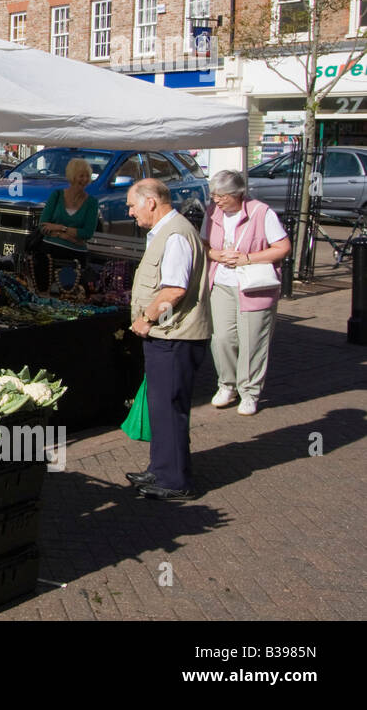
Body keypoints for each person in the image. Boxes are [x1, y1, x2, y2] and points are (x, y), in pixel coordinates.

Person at [125, 178, 210, 501]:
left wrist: (146, 319)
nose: (130, 212)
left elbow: (175, 289)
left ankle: (174, 480)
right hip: (169, 335)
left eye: (133, 205)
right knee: (160, 405)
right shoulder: (167, 231)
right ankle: (161, 468)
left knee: (170, 405)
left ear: (150, 202)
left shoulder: (175, 234)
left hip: (175, 336)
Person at [202, 170, 290, 417]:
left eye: (222, 196)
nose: (217, 200)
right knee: (221, 339)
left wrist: (248, 258)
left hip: (254, 286)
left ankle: (250, 392)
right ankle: (226, 385)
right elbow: (205, 244)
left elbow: (282, 247)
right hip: (221, 283)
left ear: (238, 193)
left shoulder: (262, 213)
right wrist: (216, 255)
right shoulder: (212, 213)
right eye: (214, 195)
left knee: (252, 341)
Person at [34, 157, 98, 291]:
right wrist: (71, 236)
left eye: (87, 176)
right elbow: (43, 226)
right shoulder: (56, 195)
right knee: (41, 257)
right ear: (72, 177)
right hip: (51, 248)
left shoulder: (91, 202)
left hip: (76, 252)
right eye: (81, 176)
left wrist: (60, 229)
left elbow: (87, 233)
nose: (85, 180)